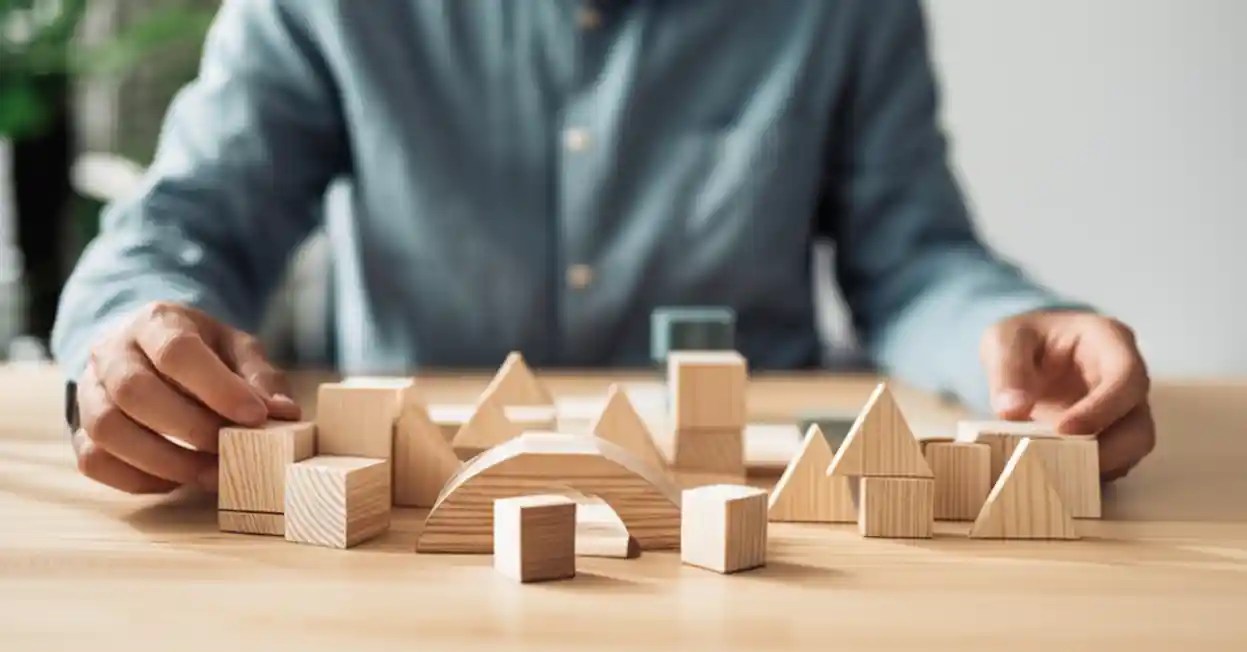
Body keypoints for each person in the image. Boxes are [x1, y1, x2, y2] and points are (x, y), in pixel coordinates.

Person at [51, 0, 1155, 496]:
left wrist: (1002, 334)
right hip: (406, 523)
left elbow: (911, 260)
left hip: (766, 523)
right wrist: (128, 334)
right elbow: (185, 223)